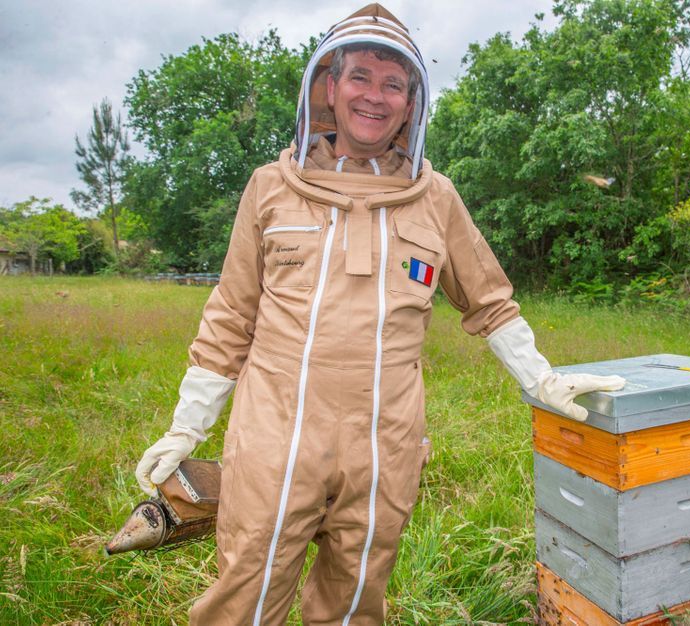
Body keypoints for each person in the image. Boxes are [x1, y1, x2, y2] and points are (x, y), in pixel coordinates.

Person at [135, 4, 624, 624]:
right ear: (329, 87)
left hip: (385, 443)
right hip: (275, 438)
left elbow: (490, 301)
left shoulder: (436, 196)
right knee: (246, 593)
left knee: (356, 597)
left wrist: (541, 378)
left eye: (393, 83)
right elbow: (232, 314)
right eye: (360, 77)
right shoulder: (270, 187)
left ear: (411, 102)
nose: (375, 96)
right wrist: (187, 426)